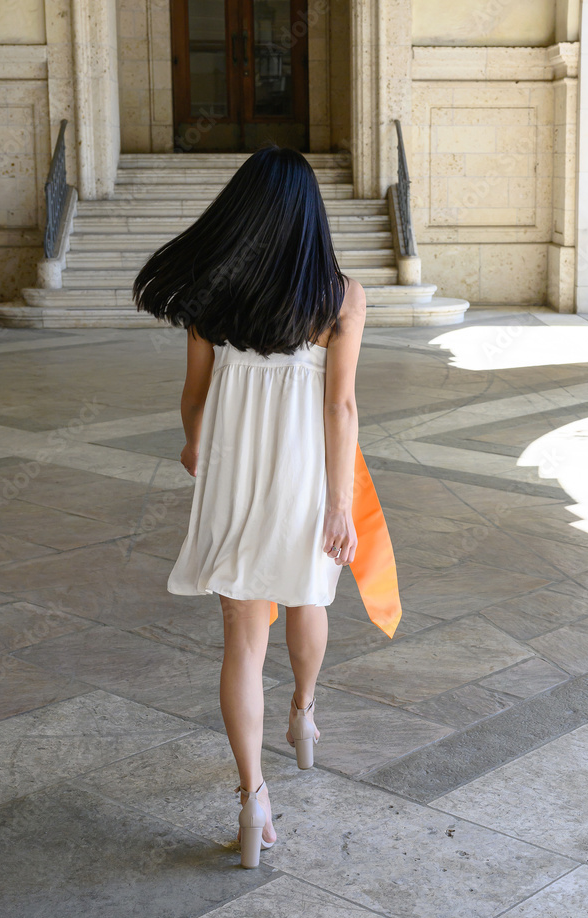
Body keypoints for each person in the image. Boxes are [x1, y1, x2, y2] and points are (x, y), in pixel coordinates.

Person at [133, 144, 383, 870]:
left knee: (241, 638)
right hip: (305, 477)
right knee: (308, 600)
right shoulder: (339, 297)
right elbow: (340, 406)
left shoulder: (213, 293)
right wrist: (338, 506)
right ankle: (302, 714)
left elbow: (194, 398)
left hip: (233, 476)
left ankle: (252, 801)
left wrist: (192, 444)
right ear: (310, 215)